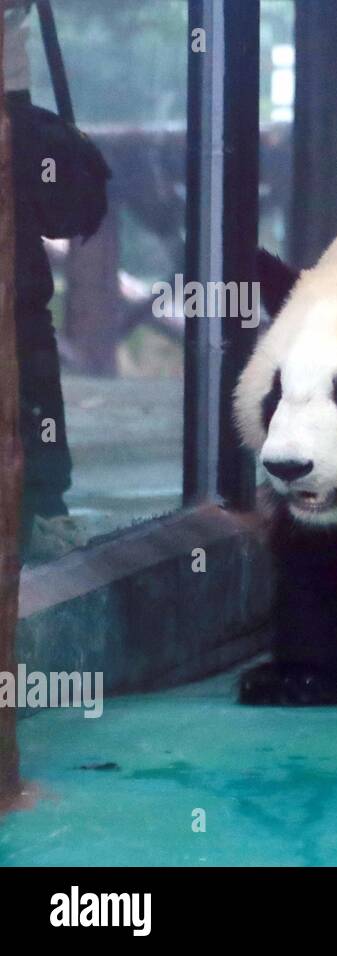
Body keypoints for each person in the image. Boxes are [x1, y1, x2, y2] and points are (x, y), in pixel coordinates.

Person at [4, 0, 108, 562]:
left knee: (21, 312)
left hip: (7, 102)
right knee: (23, 315)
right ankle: (41, 504)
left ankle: (41, 504)